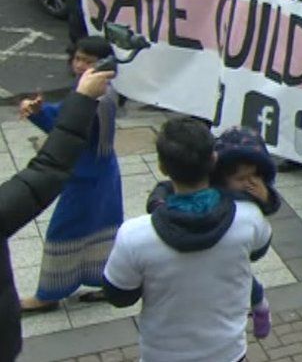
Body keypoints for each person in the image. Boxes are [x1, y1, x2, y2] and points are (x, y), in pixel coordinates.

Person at [102, 118, 273, 362]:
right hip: (228, 353)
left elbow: (120, 296)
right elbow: (257, 251)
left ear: (162, 167)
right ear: (213, 160)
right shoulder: (249, 218)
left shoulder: (134, 236)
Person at [1, 68, 114, 362]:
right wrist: (82, 99)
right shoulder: (92, 101)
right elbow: (47, 170)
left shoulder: (106, 104)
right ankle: (55, 292)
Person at [144, 126, 282, 339]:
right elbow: (164, 188)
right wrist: (159, 205)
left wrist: (266, 198)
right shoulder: (210, 188)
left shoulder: (251, 197)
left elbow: (268, 214)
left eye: (254, 176)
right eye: (241, 177)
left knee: (247, 281)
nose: (249, 182)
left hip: (232, 253)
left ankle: (260, 306)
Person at [18, 37, 122, 312]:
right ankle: (110, 282)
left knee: (62, 232)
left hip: (85, 178)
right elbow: (68, 113)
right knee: (105, 230)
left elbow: (68, 128)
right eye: (78, 58)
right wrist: (41, 112)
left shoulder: (97, 100)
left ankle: (48, 295)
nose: (80, 66)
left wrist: (38, 115)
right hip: (102, 174)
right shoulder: (98, 91)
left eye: (88, 61)